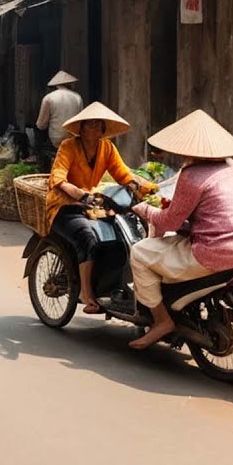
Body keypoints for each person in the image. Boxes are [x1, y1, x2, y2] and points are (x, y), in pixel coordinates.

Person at [127, 110, 233, 349]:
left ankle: (162, 321)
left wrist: (145, 210)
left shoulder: (191, 175)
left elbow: (169, 223)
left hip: (218, 254)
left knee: (140, 252)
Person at [46, 103, 145, 314]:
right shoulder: (68, 146)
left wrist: (138, 185)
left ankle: (113, 289)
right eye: (90, 124)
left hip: (90, 207)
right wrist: (80, 194)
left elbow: (123, 174)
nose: (95, 128)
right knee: (87, 237)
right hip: (63, 207)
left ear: (103, 129)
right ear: (80, 128)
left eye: (98, 125)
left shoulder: (107, 148)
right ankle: (86, 293)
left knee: (119, 239)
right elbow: (58, 178)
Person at [35, 71, 84, 171]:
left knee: (38, 135)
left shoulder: (49, 98)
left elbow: (41, 125)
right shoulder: (78, 97)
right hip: (74, 139)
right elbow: (81, 120)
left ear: (56, 85)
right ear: (69, 84)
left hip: (56, 140)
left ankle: (43, 168)